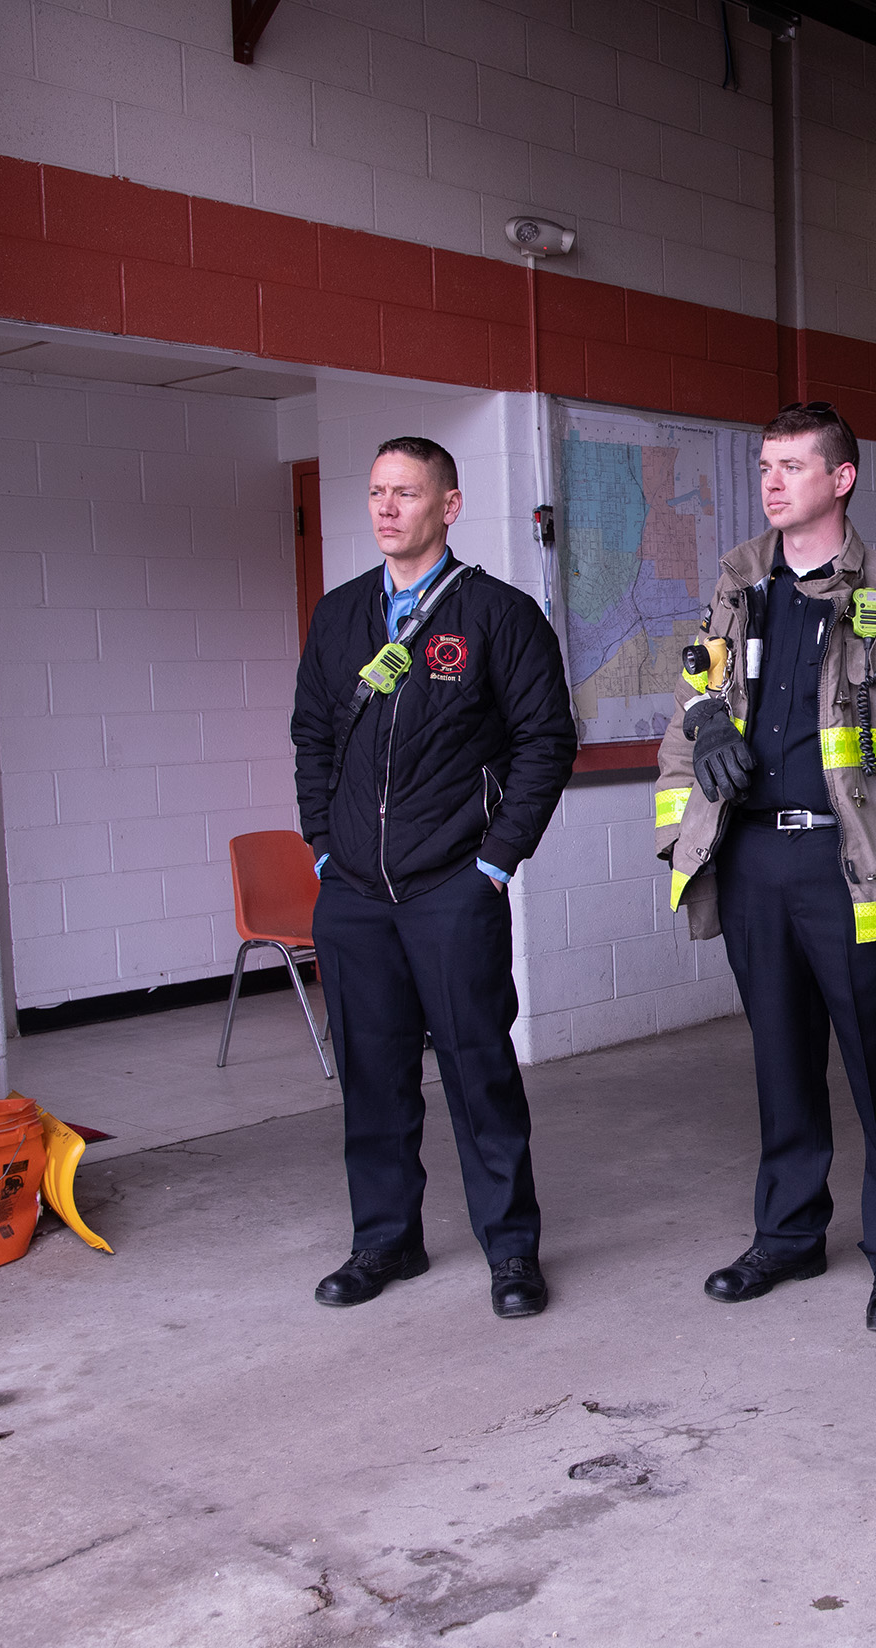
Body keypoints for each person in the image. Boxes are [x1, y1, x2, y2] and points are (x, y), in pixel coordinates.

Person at [652, 402, 876, 1334]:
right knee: (781, 1059)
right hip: (754, 859)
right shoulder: (737, 585)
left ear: (841, 479)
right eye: (765, 466)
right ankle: (790, 1234)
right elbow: (691, 702)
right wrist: (702, 732)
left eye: (793, 466)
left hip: (855, 869)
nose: (771, 482)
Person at [290, 437, 576, 1319]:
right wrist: (323, 846)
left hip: (453, 887)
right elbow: (312, 737)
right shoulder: (340, 616)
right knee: (371, 1077)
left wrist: (494, 862)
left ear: (448, 506)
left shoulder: (499, 616)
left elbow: (546, 742)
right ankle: (385, 1241)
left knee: (478, 1072)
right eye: (377, 492)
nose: (386, 508)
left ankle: (512, 1251)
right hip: (354, 895)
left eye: (406, 493)